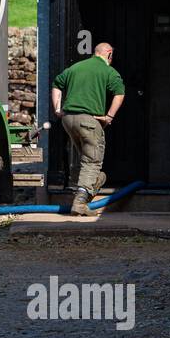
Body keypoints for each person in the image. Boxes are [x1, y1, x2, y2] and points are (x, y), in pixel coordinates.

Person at [51, 43, 126, 216]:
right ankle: (80, 202)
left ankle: (89, 187)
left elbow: (56, 84)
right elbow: (119, 93)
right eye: (111, 56)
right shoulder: (108, 71)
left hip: (68, 120)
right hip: (89, 121)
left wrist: (57, 109)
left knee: (84, 159)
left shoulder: (75, 67)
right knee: (92, 162)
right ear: (108, 54)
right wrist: (109, 117)